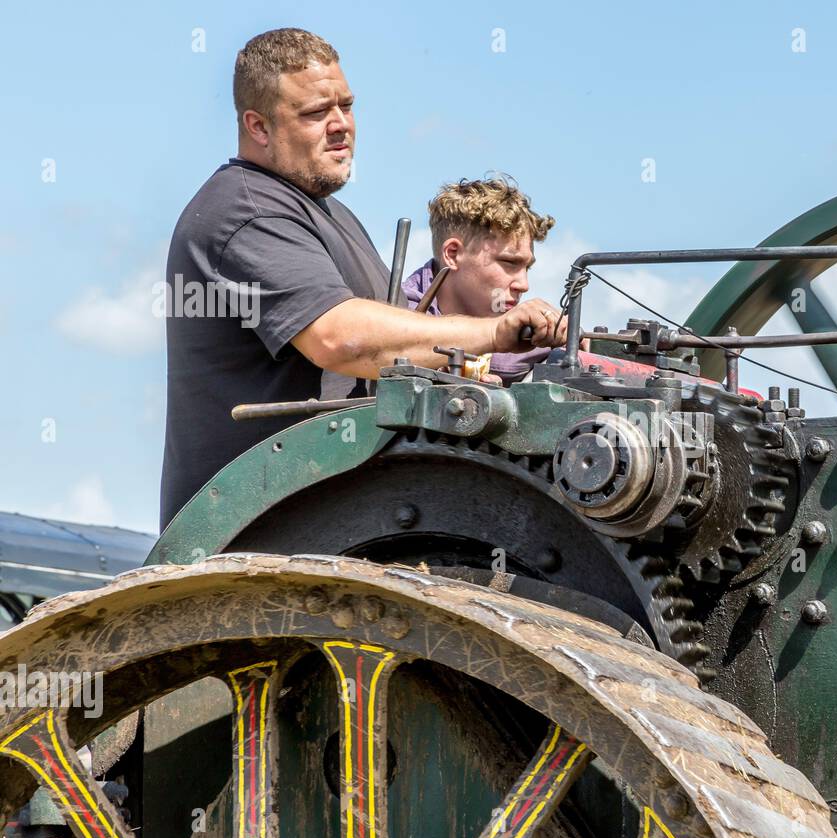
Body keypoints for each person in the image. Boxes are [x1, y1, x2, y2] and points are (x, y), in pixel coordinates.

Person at [159, 28, 568, 529]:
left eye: (346, 107)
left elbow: (399, 349)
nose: (340, 127)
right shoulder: (246, 213)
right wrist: (495, 333)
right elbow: (339, 339)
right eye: (314, 113)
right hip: (259, 532)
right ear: (258, 126)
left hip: (334, 515)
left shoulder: (332, 217)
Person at [402, 177, 557, 384]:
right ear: (453, 254)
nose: (524, 284)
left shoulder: (531, 337)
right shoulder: (394, 317)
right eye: (509, 263)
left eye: (527, 267)